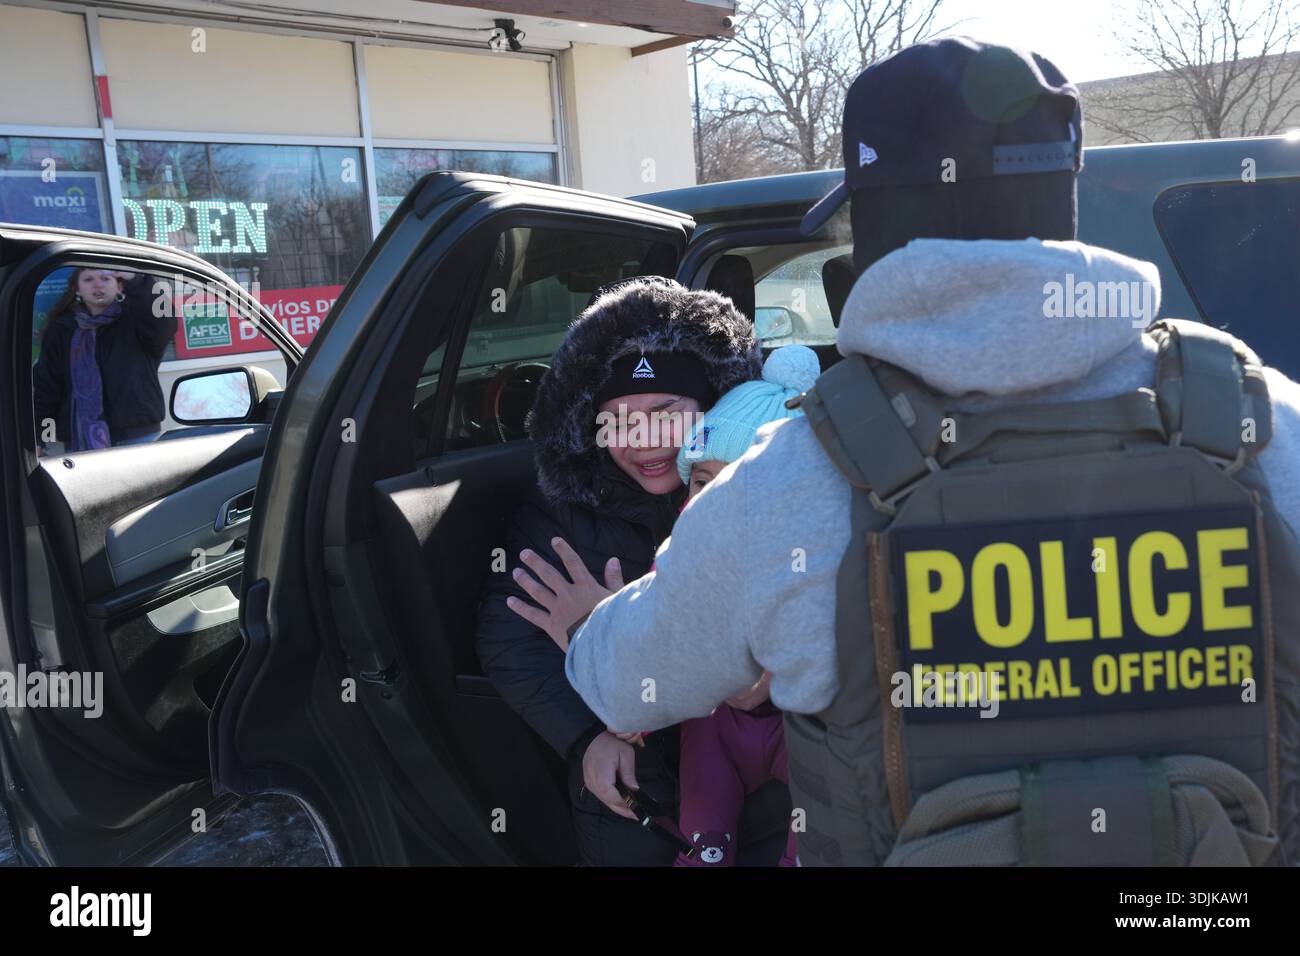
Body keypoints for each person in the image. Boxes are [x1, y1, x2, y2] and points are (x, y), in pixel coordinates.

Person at [528, 38, 1300, 866]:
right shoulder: (1265, 424)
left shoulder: (795, 478)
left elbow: (618, 680)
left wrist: (589, 630)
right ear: (1063, 201)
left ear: (876, 224)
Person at [474, 275, 762, 866]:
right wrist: (585, 736)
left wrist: (601, 629)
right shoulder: (560, 518)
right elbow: (509, 641)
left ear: (709, 405)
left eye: (666, 412)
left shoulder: (761, 487)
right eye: (619, 421)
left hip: (764, 763)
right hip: (639, 777)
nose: (646, 440)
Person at [33, 267, 176, 451]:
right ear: (77, 289)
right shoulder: (61, 330)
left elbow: (165, 320)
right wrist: (41, 438)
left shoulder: (136, 322)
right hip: (80, 441)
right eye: (88, 279)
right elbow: (47, 388)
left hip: (138, 437)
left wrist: (137, 281)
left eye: (105, 278)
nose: (98, 284)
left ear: (119, 287)